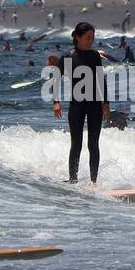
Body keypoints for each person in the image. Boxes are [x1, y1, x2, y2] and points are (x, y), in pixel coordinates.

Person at [53, 22, 111, 183]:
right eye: (88, 38)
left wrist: (106, 104)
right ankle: (73, 179)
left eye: (93, 38)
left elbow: (101, 80)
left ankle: (93, 182)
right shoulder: (68, 56)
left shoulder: (94, 56)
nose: (91, 41)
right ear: (77, 37)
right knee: (76, 144)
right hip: (77, 104)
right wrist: (56, 102)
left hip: (95, 106)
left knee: (93, 144)